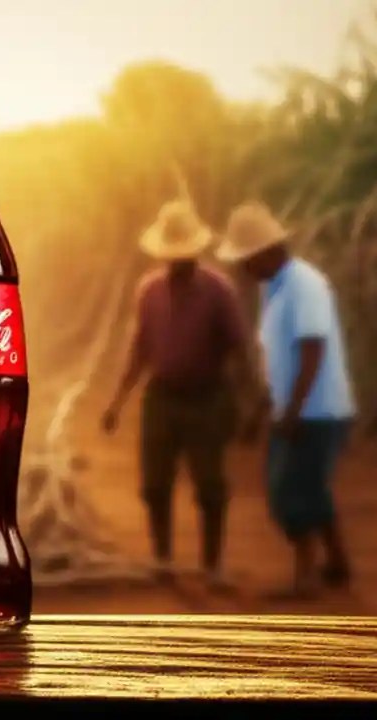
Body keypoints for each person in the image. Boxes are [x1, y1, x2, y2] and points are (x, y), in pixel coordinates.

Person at [102, 199, 264, 590]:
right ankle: (162, 560)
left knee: (210, 485)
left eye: (185, 255)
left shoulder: (218, 291)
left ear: (196, 252)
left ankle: (213, 566)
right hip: (161, 396)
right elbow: (139, 350)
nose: (179, 262)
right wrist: (117, 402)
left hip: (208, 397)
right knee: (155, 484)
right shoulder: (149, 291)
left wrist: (254, 400)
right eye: (173, 256)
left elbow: (240, 349)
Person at [216, 201, 357, 599]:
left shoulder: (304, 285)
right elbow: (279, 359)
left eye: (247, 258)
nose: (244, 267)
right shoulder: (274, 290)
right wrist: (265, 409)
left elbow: (312, 348)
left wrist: (293, 410)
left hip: (317, 409)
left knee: (289, 491)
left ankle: (305, 576)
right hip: (297, 408)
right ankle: (338, 563)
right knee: (311, 488)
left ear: (266, 252)